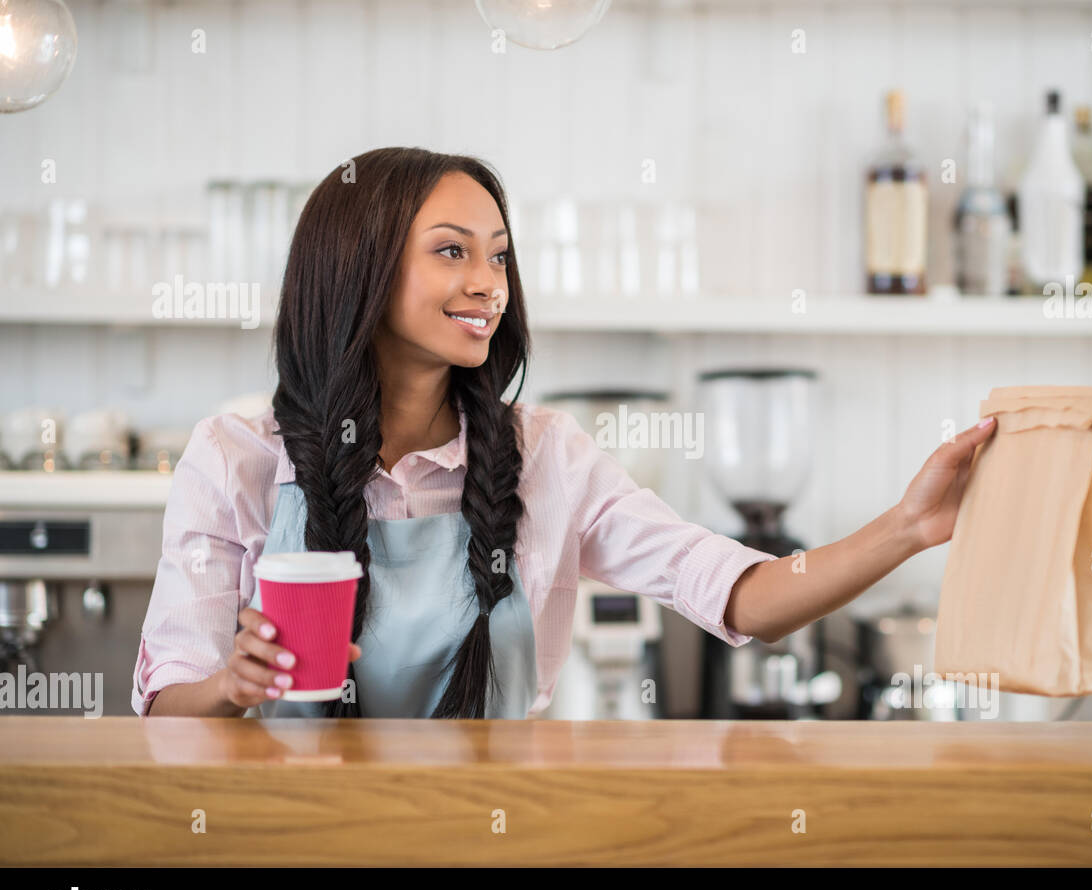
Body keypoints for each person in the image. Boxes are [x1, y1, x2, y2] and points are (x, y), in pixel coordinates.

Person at [133, 147, 996, 719]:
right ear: (357, 267)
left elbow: (741, 594)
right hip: (296, 844)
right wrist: (228, 685)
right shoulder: (238, 455)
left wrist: (909, 528)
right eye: (452, 251)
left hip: (496, 837)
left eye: (500, 255)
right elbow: (168, 703)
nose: (488, 283)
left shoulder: (546, 456)